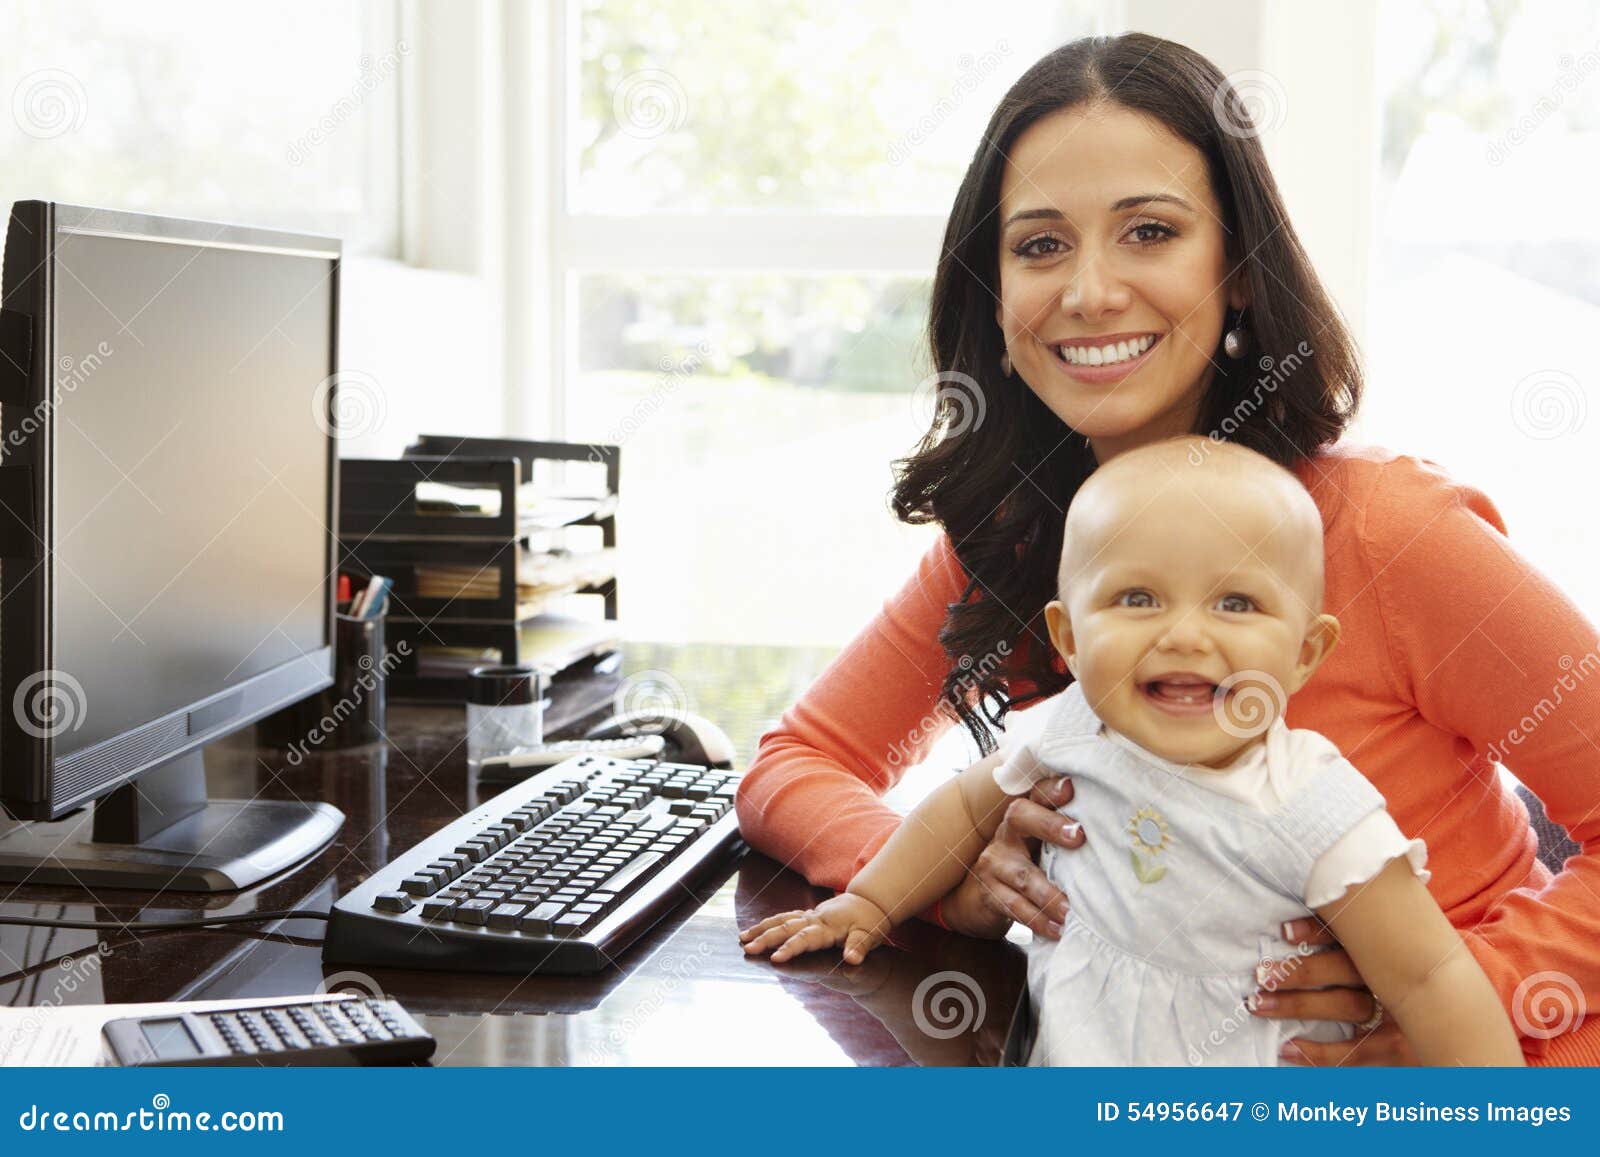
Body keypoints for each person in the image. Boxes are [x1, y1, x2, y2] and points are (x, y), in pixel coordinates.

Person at [734, 32, 1600, 1065]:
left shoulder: (1385, 533)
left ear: (1236, 271)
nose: (1090, 291)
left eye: (1148, 231)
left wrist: (1463, 994)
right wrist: (952, 877)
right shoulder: (1022, 537)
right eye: (1040, 244)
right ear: (994, 295)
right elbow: (797, 762)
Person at [741, 437, 1524, 1066]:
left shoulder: (1310, 801)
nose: (1184, 632)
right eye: (1138, 598)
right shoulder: (1077, 727)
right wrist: (872, 903)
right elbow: (965, 802)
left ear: (1305, 654)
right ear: (1069, 638)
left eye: (1237, 602)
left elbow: (1430, 975)